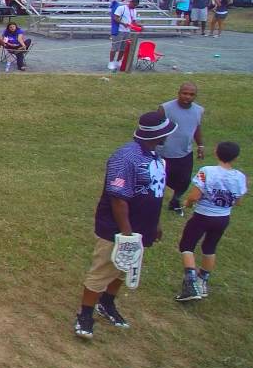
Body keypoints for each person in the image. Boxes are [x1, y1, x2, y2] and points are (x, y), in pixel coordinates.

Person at [74, 110, 176, 340]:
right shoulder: (125, 157)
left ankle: (107, 303)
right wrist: (127, 233)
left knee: (124, 267)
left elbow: (154, 193)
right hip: (119, 228)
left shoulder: (155, 158)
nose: (168, 136)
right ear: (157, 133)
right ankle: (85, 315)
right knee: (103, 269)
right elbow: (118, 197)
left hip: (142, 226)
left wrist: (155, 222)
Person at [174, 141, 247, 302]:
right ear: (235, 157)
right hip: (223, 218)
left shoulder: (206, 171)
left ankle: (190, 284)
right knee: (209, 247)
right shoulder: (240, 177)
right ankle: (202, 283)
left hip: (202, 216)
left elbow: (194, 196)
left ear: (216, 152)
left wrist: (188, 203)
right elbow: (239, 201)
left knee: (187, 246)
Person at [157, 83, 206, 217]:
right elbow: (156, 129)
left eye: (191, 94)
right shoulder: (165, 108)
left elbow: (197, 128)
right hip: (163, 153)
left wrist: (200, 146)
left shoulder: (199, 110)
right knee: (159, 180)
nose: (187, 97)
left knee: (184, 181)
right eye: (185, 93)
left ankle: (175, 201)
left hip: (184, 153)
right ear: (179, 93)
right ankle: (153, 203)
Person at [108, 0, 139, 71]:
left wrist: (139, 26)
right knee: (115, 47)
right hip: (119, 30)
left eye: (136, 5)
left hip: (127, 31)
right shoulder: (122, 8)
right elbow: (115, 18)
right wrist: (123, 23)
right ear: (131, 2)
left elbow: (133, 21)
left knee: (123, 48)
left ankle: (118, 61)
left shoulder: (134, 11)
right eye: (134, 5)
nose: (134, 7)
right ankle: (111, 62)